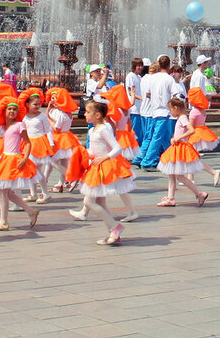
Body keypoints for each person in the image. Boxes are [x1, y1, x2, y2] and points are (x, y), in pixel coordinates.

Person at [73, 101, 129, 245]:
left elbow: (117, 148)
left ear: (97, 115)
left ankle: (115, 227)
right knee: (100, 202)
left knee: (88, 201)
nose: (84, 114)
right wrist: (82, 154)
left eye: (87, 112)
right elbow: (92, 151)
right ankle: (113, 232)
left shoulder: (104, 129)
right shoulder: (92, 130)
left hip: (103, 168)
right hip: (94, 168)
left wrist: (105, 157)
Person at [0, 97, 40, 231]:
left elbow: (27, 143)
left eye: (15, 109)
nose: (12, 111)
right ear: (4, 111)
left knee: (3, 192)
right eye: (9, 109)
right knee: (6, 192)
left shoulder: (19, 125)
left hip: (13, 159)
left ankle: (4, 221)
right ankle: (30, 211)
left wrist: (25, 158)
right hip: (4, 159)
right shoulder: (4, 125)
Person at [156, 97, 209, 207]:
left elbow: (191, 130)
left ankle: (199, 193)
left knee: (178, 175)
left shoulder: (183, 118)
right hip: (177, 147)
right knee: (172, 174)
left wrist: (179, 137)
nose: (171, 112)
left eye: (171, 110)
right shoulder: (181, 117)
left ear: (176, 108)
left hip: (180, 148)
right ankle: (171, 197)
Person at [138, 56, 175, 172]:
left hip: (153, 111)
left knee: (164, 137)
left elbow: (148, 94)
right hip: (164, 111)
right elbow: (175, 94)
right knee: (157, 137)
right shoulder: (169, 79)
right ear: (169, 66)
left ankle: (171, 158)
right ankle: (147, 161)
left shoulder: (152, 78)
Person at [21, 88, 56, 204]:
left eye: (39, 104)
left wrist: (51, 143)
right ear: (27, 104)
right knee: (31, 170)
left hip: (39, 144)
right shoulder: (25, 117)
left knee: (35, 170)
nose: (37, 106)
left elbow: (48, 130)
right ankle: (33, 193)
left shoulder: (42, 116)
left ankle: (45, 193)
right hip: (29, 144)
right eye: (34, 104)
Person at [185, 87, 220, 187]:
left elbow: (191, 126)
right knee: (192, 157)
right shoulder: (202, 111)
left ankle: (213, 172)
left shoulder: (194, 112)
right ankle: (190, 178)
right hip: (202, 132)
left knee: (193, 158)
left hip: (194, 134)